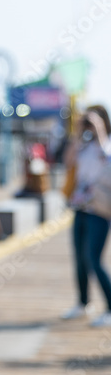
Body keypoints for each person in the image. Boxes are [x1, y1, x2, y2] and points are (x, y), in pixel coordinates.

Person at [62, 106, 111, 326]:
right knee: (79, 259)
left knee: (94, 259)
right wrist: (78, 132)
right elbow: (68, 161)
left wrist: (100, 130)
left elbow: (106, 158)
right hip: (80, 207)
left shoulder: (106, 144)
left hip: (99, 210)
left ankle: (110, 307)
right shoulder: (83, 146)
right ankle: (83, 303)